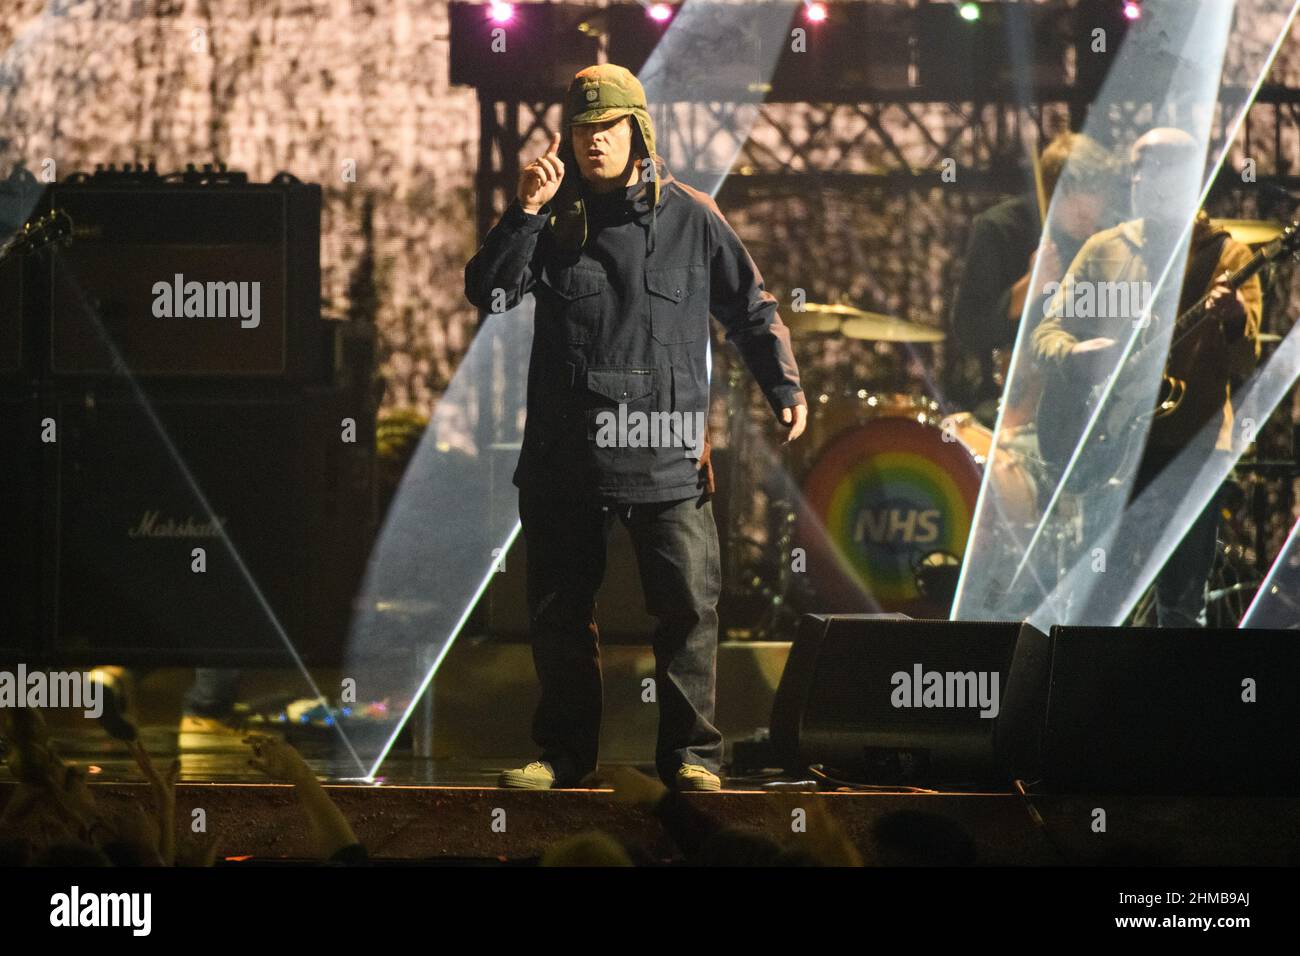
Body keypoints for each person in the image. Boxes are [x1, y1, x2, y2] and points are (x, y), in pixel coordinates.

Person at [464, 64, 806, 791]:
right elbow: (491, 293)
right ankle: (562, 756)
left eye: (609, 128)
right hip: (568, 456)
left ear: (638, 133)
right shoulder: (551, 219)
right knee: (560, 615)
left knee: (686, 609)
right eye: (583, 129)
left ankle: (691, 758)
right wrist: (523, 213)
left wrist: (783, 383)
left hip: (665, 456)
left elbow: (751, 309)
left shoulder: (691, 216)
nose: (594, 142)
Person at [1033, 127, 1261, 627]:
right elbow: (1046, 331)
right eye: (1137, 166)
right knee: (1096, 596)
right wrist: (1074, 354)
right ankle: (1096, 700)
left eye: (1157, 166)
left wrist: (1234, 320)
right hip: (1114, 445)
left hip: (1193, 450)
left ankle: (1172, 704)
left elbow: (1246, 364)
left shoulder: (1229, 258)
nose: (1141, 178)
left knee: (1181, 603)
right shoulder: (1103, 250)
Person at [950, 131, 1119, 426]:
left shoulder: (1107, 237)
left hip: (1089, 402)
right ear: (1053, 193)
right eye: (1081, 215)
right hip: (1011, 402)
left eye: (1098, 213)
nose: (1091, 225)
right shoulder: (999, 229)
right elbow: (970, 330)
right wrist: (1030, 286)